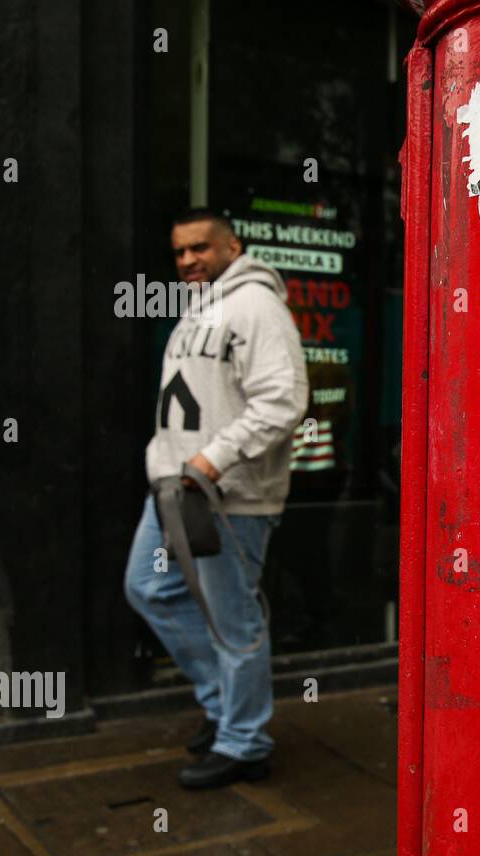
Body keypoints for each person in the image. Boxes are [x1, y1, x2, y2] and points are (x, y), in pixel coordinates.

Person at [124, 208, 308, 789]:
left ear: (233, 245)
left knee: (235, 622)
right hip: (176, 486)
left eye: (200, 249)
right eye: (179, 253)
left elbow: (283, 400)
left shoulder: (256, 306)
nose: (187, 262)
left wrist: (213, 458)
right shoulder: (199, 309)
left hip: (229, 494)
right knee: (148, 587)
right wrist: (166, 464)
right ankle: (224, 706)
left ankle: (245, 741)